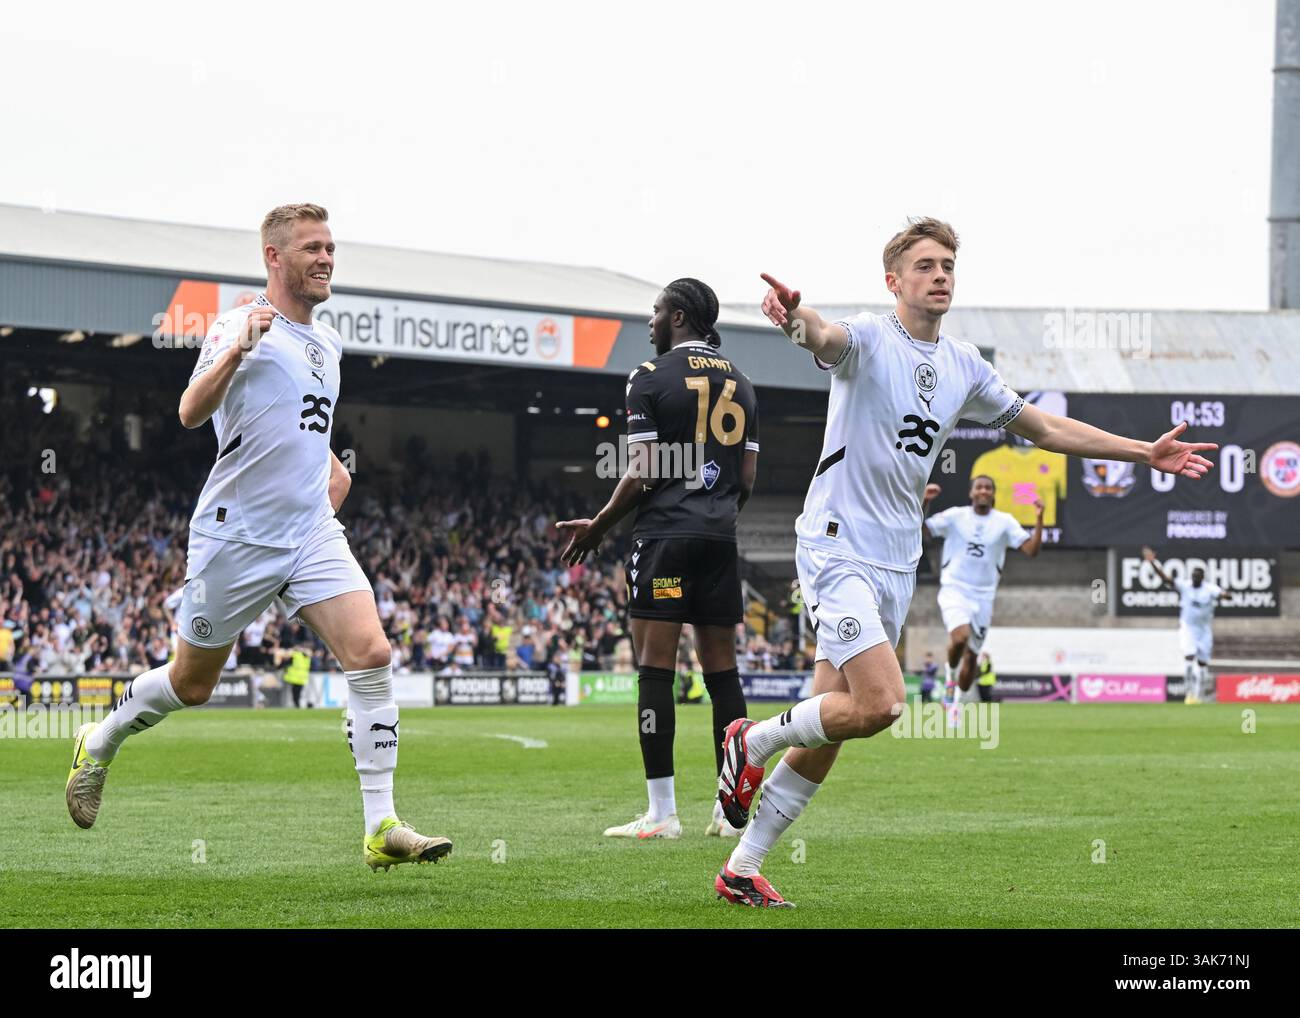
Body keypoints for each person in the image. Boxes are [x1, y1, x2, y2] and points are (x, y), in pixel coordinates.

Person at [713, 217, 1216, 907]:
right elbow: (820, 338)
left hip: (895, 560)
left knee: (836, 721)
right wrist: (794, 318)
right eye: (925, 265)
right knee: (884, 704)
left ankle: (742, 866)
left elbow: (1044, 429)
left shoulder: (965, 365)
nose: (941, 274)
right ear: (895, 281)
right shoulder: (866, 338)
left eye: (948, 263)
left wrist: (1142, 451)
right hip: (836, 546)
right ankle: (751, 740)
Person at [65, 204, 450, 870]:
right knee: (191, 686)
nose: (326, 259)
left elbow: (306, 428)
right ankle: (98, 742)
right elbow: (190, 411)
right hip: (235, 536)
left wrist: (330, 476)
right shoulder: (238, 324)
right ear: (274, 257)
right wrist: (238, 349)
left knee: (371, 652)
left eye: (330, 247)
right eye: (311, 248)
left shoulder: (328, 344)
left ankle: (380, 824)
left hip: (308, 531)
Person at [558, 278, 759, 840]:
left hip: (665, 538)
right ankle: (728, 810)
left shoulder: (648, 378)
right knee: (723, 674)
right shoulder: (743, 382)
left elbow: (643, 468)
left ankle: (662, 813)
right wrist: (714, 513)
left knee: (655, 666)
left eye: (655, 311)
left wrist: (598, 526)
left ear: (677, 316)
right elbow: (745, 479)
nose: (650, 322)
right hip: (719, 540)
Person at [922, 476, 1043, 722]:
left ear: (993, 494)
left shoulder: (1004, 522)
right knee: (960, 638)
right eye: (979, 487)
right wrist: (924, 501)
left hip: (984, 596)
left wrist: (1039, 517)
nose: (983, 491)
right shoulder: (956, 516)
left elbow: (1031, 550)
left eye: (988, 488)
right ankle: (949, 679)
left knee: (972, 657)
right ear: (971, 493)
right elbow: (923, 531)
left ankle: (955, 704)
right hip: (954, 588)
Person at [1142, 547, 1229, 704]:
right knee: (1189, 658)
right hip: (1188, 628)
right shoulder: (1185, 585)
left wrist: (1225, 595)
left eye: (1198, 576)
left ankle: (1199, 695)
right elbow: (1166, 579)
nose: (1195, 578)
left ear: (1202, 578)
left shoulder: (1209, 589)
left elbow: (1223, 594)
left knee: (1203, 665)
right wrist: (1153, 563)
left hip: (1204, 630)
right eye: (1194, 576)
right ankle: (1189, 694)